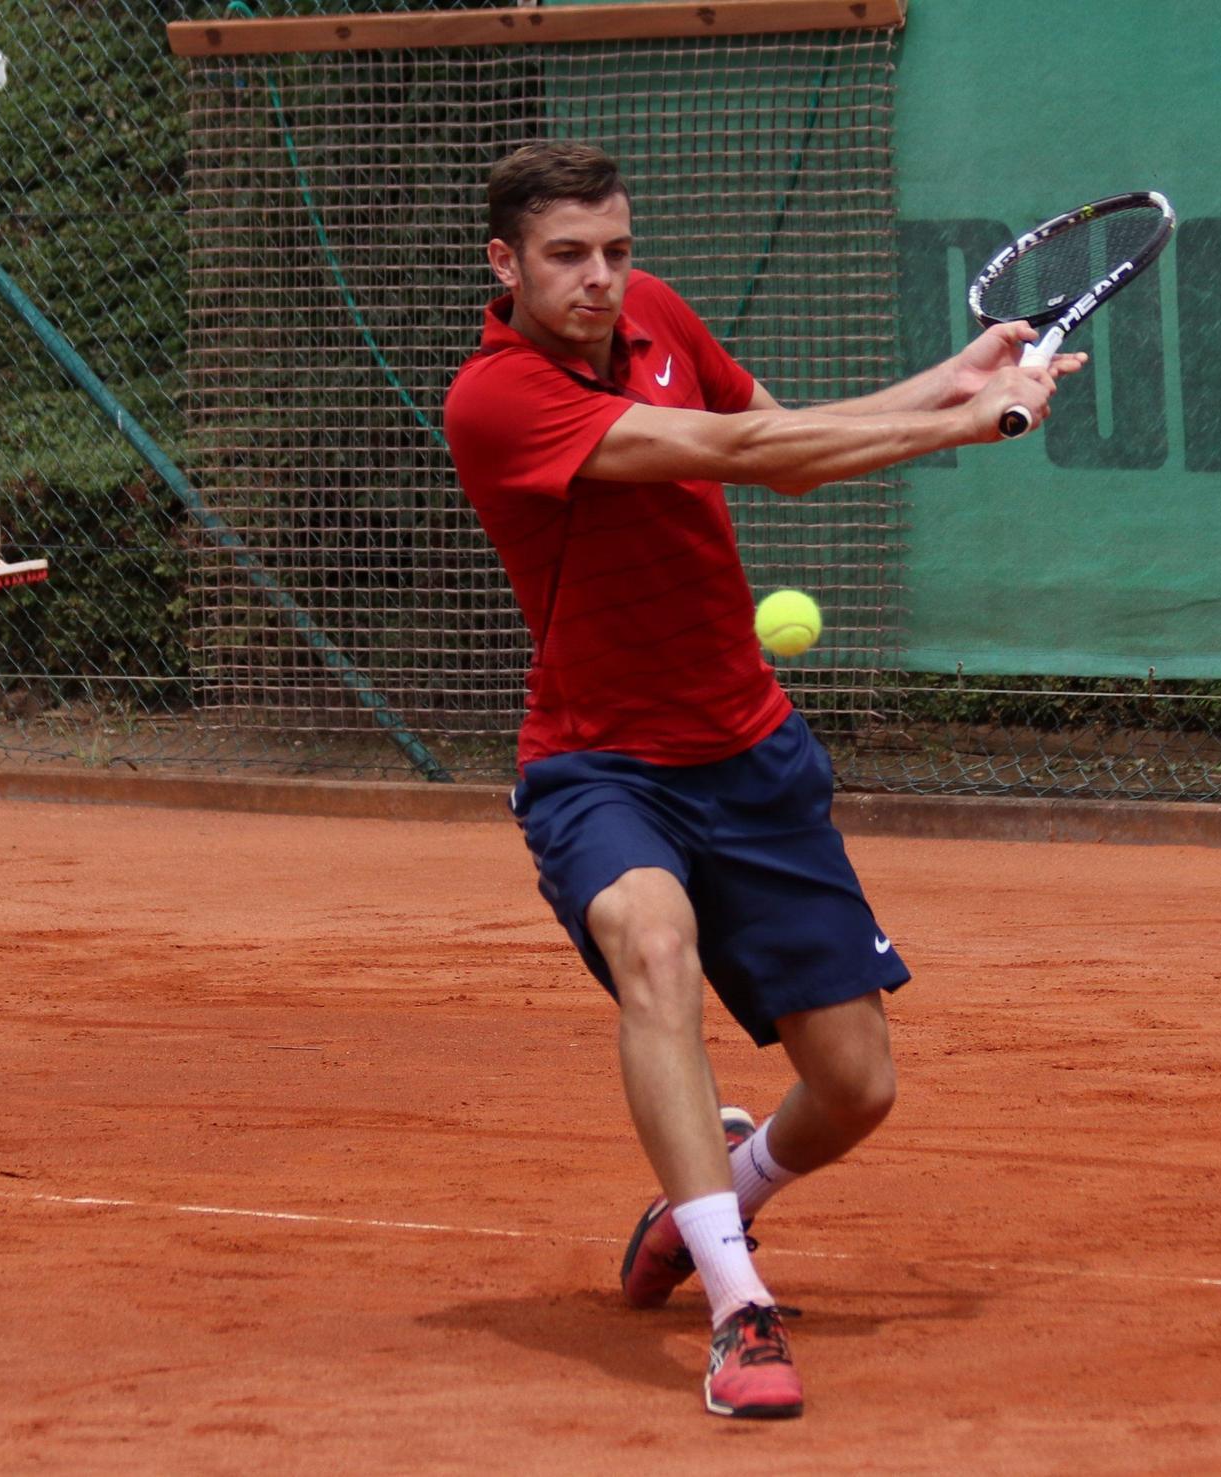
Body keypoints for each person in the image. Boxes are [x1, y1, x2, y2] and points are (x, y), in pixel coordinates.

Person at [443, 141, 1084, 1421]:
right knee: (654, 946)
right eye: (568, 256)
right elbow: (731, 448)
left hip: (750, 754)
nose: (601, 278)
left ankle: (712, 1203)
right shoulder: (497, 398)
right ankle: (740, 1310)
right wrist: (964, 423)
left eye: (616, 249)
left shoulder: (657, 313)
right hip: (600, 765)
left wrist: (949, 380)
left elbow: (785, 448)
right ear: (505, 264)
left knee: (856, 1088)